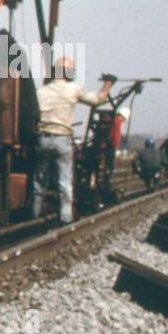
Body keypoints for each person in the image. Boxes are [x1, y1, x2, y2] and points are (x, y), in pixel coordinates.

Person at [32, 55, 112, 223]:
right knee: (65, 182)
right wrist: (108, 84)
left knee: (40, 182)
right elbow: (97, 100)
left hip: (43, 140)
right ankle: (66, 218)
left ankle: (34, 215)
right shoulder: (73, 89)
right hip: (62, 141)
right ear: (68, 72)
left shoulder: (40, 92)